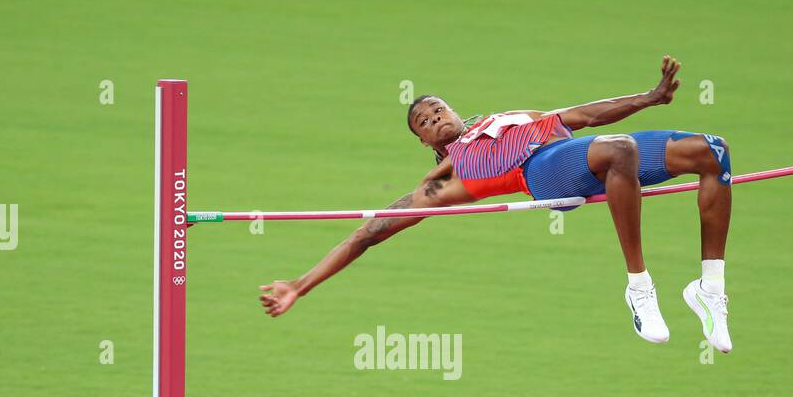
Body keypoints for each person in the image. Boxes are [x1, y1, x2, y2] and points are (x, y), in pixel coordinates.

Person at [260, 57, 732, 352]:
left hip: (585, 150)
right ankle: (639, 288)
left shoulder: (507, 118)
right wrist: (301, 285)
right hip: (545, 173)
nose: (435, 117)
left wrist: (649, 98)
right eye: (424, 121)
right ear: (425, 143)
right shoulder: (451, 177)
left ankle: (709, 291)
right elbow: (371, 231)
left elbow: (584, 114)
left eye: (438, 109)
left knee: (712, 151)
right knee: (620, 149)